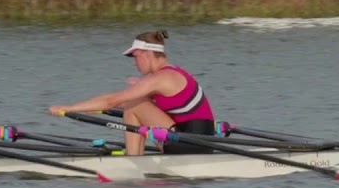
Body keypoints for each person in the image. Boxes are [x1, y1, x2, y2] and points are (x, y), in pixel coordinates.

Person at [48, 30, 216, 156]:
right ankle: (135, 157)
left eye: (135, 56)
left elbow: (111, 101)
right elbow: (113, 103)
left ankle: (133, 160)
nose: (134, 63)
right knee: (134, 102)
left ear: (148, 53)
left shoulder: (161, 78)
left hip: (192, 145)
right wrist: (84, 108)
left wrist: (70, 108)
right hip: (200, 141)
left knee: (133, 105)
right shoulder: (172, 73)